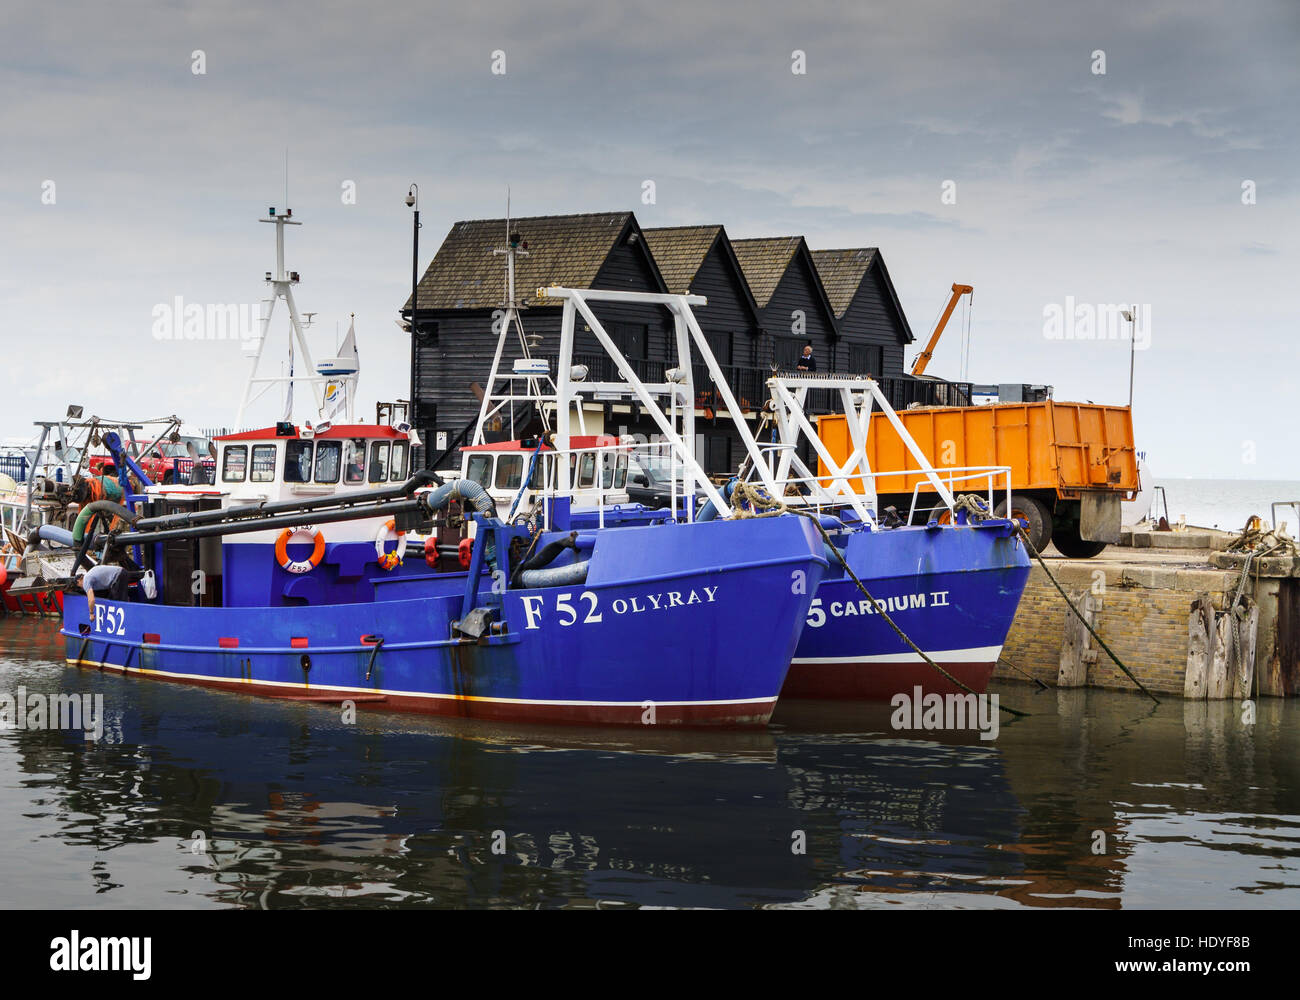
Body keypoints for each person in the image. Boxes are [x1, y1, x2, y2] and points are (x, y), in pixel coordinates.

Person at [77, 563, 146, 614]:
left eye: (79, 585)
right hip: (122, 572)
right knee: (116, 596)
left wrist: (91, 613)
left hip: (117, 577)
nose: (81, 587)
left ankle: (127, 617)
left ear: (79, 581)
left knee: (118, 602)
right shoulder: (90, 573)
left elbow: (91, 599)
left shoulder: (86, 580)